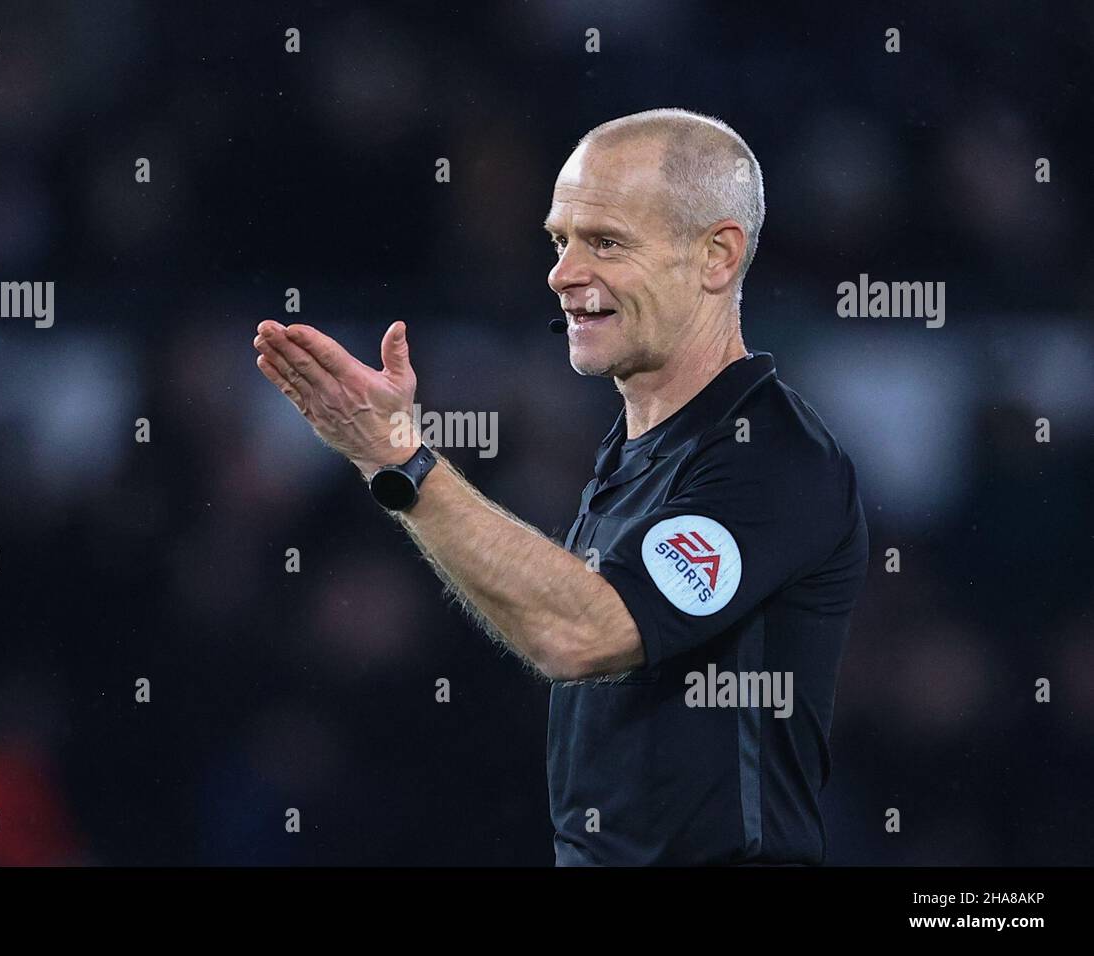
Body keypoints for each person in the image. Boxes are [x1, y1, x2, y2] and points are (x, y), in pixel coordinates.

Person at [252, 108, 868, 865]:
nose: (562, 273)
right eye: (559, 241)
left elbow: (583, 632)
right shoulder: (635, 456)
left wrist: (400, 460)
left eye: (605, 242)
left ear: (716, 256)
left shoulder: (770, 456)